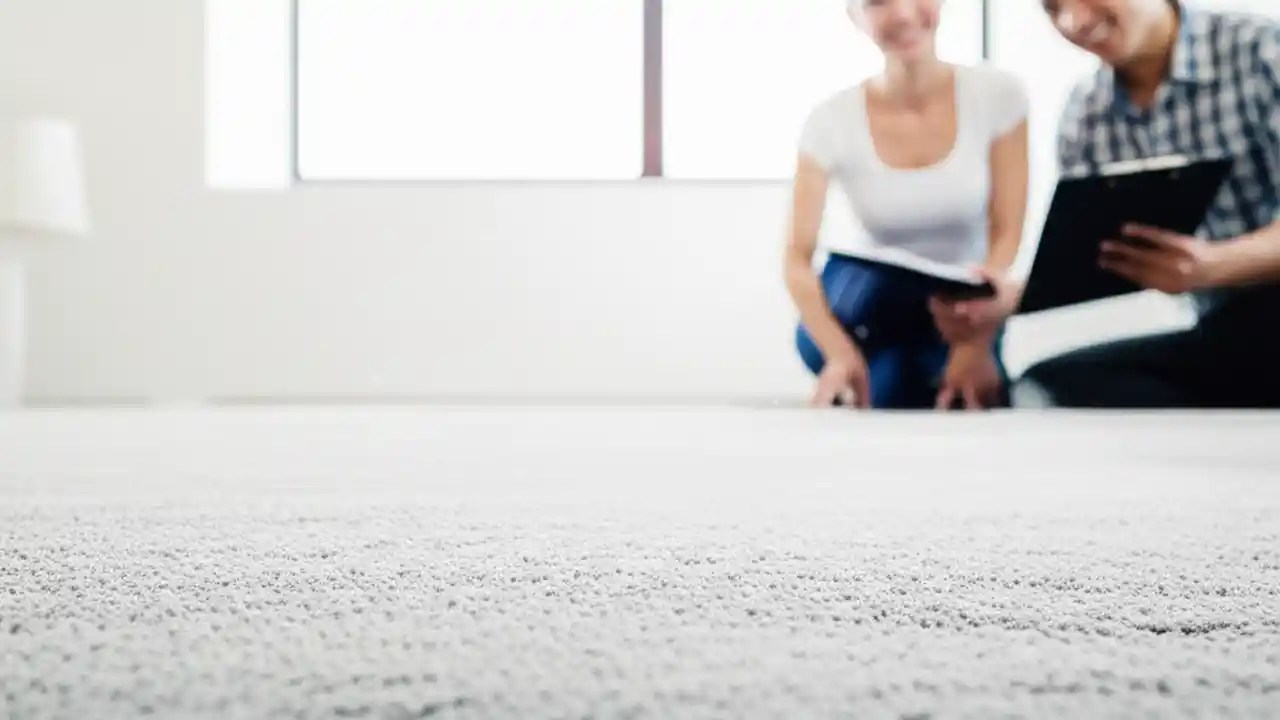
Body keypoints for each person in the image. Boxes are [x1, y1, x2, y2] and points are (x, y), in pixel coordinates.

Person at [934, 0, 1280, 408]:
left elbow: (1201, 266)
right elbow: (1098, 259)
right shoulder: (1087, 115)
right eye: (1053, 8)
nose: (1073, 21)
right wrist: (1005, 302)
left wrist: (1213, 265)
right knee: (1046, 387)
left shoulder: (1261, 50)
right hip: (1226, 330)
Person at [784, 0, 1030, 410]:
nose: (901, 14)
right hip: (865, 308)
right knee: (863, 313)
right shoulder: (829, 120)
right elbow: (795, 256)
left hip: (960, 312)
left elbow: (1006, 232)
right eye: (877, 2)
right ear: (854, 16)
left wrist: (974, 344)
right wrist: (839, 354)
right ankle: (851, 365)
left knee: (913, 387)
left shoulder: (998, 96)